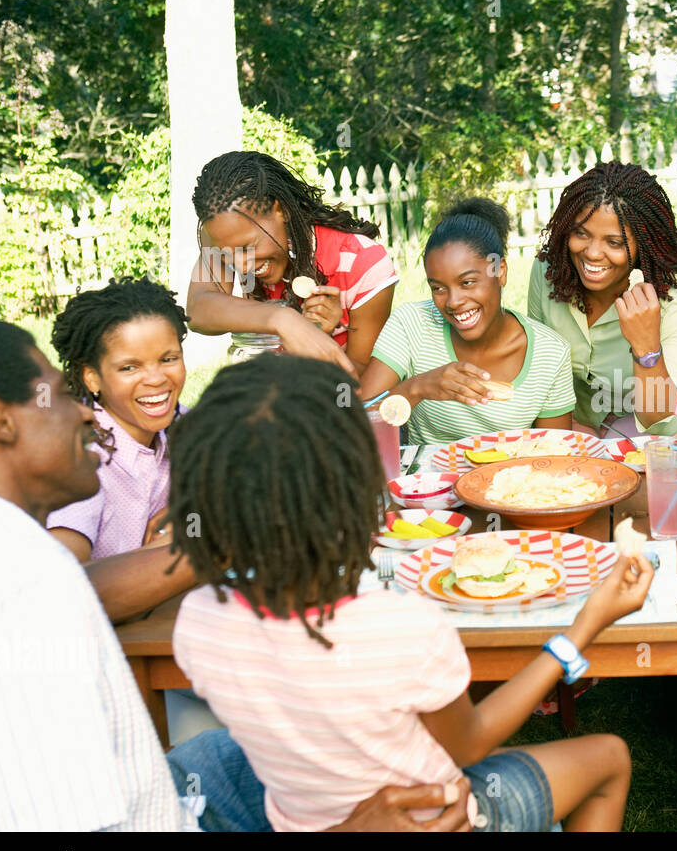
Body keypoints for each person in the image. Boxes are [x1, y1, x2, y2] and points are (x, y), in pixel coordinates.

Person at [0, 322, 470, 832]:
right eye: (63, 395)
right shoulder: (30, 590)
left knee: (258, 740)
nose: (85, 413)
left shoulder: (31, 558)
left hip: (168, 785)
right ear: (2, 421)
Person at [169, 353, 652, 831]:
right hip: (436, 817)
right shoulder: (403, 625)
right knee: (609, 757)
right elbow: (468, 746)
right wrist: (583, 626)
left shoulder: (198, 620)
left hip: (306, 819)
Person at [44, 277, 199, 623]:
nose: (156, 379)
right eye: (129, 367)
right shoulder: (80, 455)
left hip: (158, 626)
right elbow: (59, 591)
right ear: (92, 378)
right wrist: (173, 549)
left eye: (168, 358)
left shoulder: (183, 426)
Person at [360, 198, 576, 444]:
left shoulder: (550, 353)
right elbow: (356, 422)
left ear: (500, 271)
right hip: (431, 481)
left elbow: (556, 453)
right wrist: (417, 388)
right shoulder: (411, 324)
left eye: (467, 283)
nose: (453, 301)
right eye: (438, 288)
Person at [528, 161, 677, 435]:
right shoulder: (547, 271)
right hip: (568, 435)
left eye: (614, 243)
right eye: (581, 233)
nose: (593, 253)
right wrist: (572, 429)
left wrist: (646, 347)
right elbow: (539, 373)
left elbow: (667, 422)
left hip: (644, 444)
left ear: (643, 245)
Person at [188, 150, 399, 378]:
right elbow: (198, 309)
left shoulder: (363, 264)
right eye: (226, 255)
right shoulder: (225, 236)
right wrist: (283, 319)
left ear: (282, 211)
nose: (241, 267)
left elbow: (367, 385)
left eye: (248, 247)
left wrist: (319, 336)